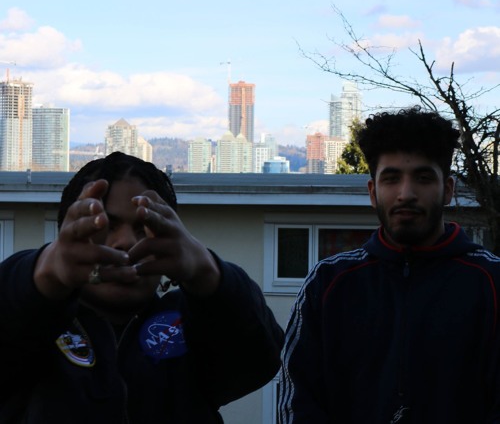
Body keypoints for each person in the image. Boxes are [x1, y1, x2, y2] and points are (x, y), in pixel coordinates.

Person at [0, 152, 284, 424]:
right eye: (103, 225)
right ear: (65, 235)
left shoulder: (192, 326)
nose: (125, 242)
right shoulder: (32, 326)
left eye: (144, 227)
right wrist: (43, 275)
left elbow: (260, 357)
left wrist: (207, 271)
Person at [279, 107, 500, 423]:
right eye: (392, 178)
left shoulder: (491, 282)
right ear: (373, 192)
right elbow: (297, 401)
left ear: (448, 190)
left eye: (423, 178)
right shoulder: (328, 283)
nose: (406, 194)